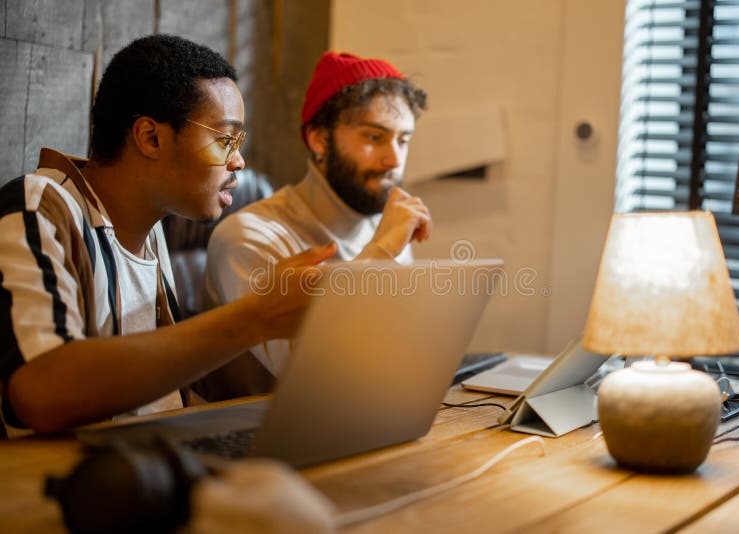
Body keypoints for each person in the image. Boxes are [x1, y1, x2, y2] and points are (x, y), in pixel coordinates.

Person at [0, 34, 333, 436]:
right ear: (150, 137)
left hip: (148, 458)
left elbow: (165, 399)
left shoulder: (151, 230)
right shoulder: (41, 208)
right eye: (225, 139)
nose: (239, 160)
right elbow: (40, 390)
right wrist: (258, 316)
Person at [202, 51, 431, 393]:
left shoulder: (385, 232)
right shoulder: (248, 238)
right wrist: (382, 250)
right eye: (374, 137)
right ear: (319, 138)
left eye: (403, 140)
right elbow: (312, 377)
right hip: (260, 440)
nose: (394, 160)